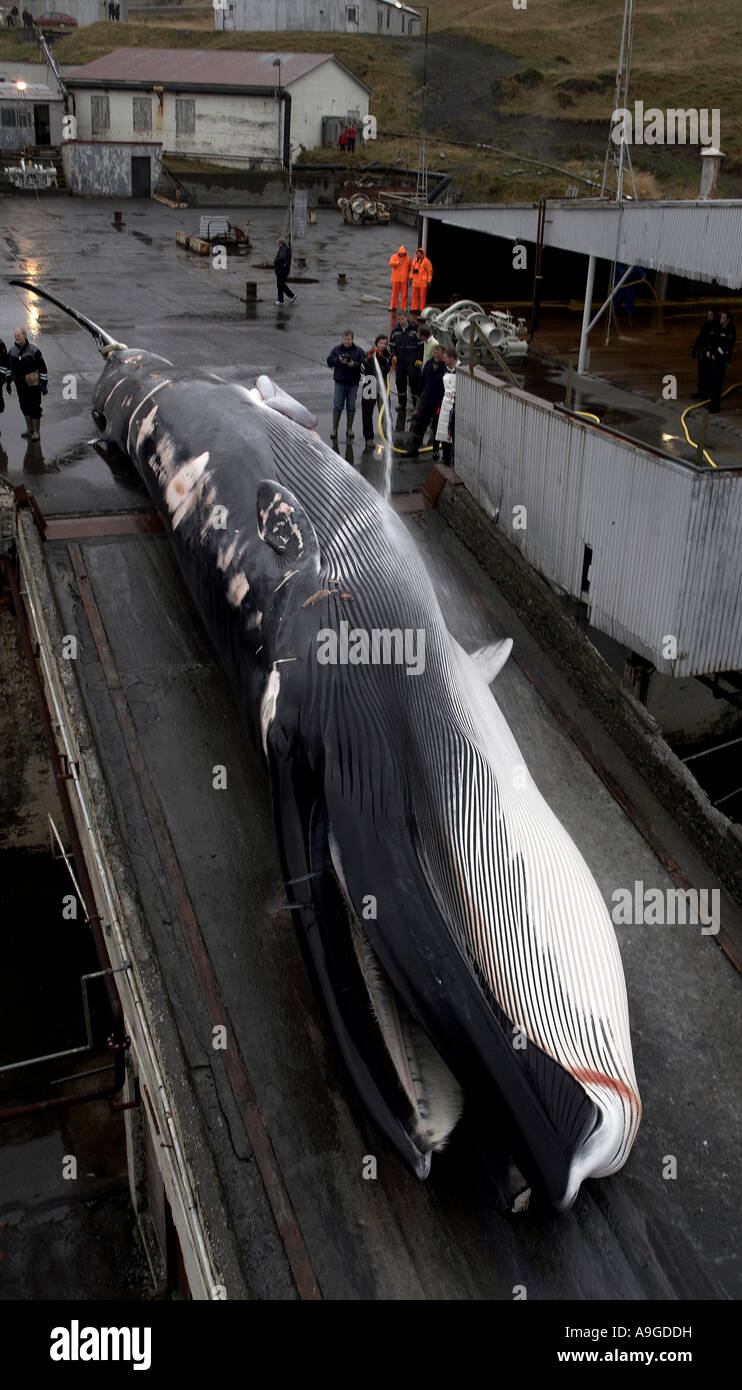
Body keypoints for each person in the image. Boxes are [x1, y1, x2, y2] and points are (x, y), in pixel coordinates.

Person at [7, 325, 48, 442]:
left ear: (24, 336)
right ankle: (29, 429)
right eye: (15, 336)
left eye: (19, 335)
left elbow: (43, 368)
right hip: (20, 384)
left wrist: (44, 384)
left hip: (33, 383)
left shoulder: (34, 351)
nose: (17, 337)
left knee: (34, 407)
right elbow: (9, 368)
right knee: (24, 406)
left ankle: (36, 432)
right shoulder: (12, 352)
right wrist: (8, 382)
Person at [408, 345, 446, 457]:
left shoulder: (445, 368)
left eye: (438, 353)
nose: (436, 355)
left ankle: (436, 450)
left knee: (436, 427)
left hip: (437, 402)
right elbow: (423, 380)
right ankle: (414, 448)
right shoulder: (429, 364)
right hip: (426, 400)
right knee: (420, 425)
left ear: (443, 354)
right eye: (434, 353)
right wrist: (420, 395)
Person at [327, 331, 364, 442]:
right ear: (342, 339)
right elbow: (329, 362)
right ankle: (334, 429)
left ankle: (349, 429)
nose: (346, 341)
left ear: (352, 339)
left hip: (353, 383)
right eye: (345, 339)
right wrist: (338, 360)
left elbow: (364, 363)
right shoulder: (336, 350)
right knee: (338, 405)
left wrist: (354, 364)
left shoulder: (359, 351)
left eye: (348, 339)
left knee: (351, 406)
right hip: (340, 383)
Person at [360, 333, 392, 450]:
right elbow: (364, 368)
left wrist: (381, 357)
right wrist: (368, 358)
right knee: (367, 413)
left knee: (385, 413)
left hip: (383, 386)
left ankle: (387, 435)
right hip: (370, 384)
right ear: (376, 343)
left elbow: (386, 368)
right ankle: (369, 438)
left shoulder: (388, 355)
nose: (383, 346)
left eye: (385, 344)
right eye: (381, 343)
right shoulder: (367, 353)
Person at [389, 311, 421, 429]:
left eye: (402, 319)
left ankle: (414, 405)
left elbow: (420, 345)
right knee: (400, 382)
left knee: (414, 383)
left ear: (406, 318)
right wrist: (394, 355)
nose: (400, 321)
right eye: (399, 319)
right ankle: (402, 404)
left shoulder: (414, 329)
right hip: (401, 362)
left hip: (412, 362)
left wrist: (418, 359)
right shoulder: (395, 330)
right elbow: (392, 344)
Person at [707, 310, 736, 413]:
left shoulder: (730, 330)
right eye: (721, 317)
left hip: (721, 360)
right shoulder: (719, 328)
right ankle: (712, 402)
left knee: (717, 382)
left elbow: (727, 346)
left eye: (723, 318)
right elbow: (714, 341)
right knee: (712, 382)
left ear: (728, 320)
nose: (721, 319)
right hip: (715, 358)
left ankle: (716, 405)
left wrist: (717, 354)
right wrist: (710, 351)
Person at [436, 349, 459, 465]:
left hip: (456, 405)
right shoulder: (444, 369)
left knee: (454, 433)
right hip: (445, 404)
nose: (443, 360)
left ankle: (454, 459)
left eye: (445, 358)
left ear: (452, 358)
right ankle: (445, 458)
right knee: (444, 433)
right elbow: (440, 389)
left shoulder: (460, 371)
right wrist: (439, 405)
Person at [691, 310, 718, 399]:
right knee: (701, 372)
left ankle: (707, 392)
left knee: (708, 374)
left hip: (709, 354)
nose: (709, 316)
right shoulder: (705, 325)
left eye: (711, 315)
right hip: (703, 353)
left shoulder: (716, 327)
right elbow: (700, 338)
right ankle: (701, 391)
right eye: (708, 315)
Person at [273, 237, 297, 305]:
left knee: (280, 285)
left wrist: (275, 260)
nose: (277, 245)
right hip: (283, 270)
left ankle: (281, 300)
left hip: (282, 270)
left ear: (281, 243)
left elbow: (282, 258)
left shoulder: (283, 249)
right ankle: (291, 296)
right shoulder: (285, 249)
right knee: (281, 285)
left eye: (278, 243)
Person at [410, 246, 433, 313]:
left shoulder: (426, 261)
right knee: (414, 296)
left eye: (420, 253)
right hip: (415, 281)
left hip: (423, 282)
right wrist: (411, 277)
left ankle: (422, 309)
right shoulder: (414, 260)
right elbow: (412, 270)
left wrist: (429, 280)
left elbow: (430, 271)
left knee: (422, 297)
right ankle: (414, 309)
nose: (419, 254)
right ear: (416, 253)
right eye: (418, 253)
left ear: (422, 254)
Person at [388, 244, 411, 312]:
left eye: (403, 254)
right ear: (399, 253)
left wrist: (409, 276)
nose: (402, 255)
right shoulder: (394, 256)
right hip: (395, 278)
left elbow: (410, 267)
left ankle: (404, 307)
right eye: (401, 254)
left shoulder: (408, 258)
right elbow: (390, 264)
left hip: (404, 278)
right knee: (394, 293)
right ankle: (393, 306)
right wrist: (397, 263)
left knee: (404, 294)